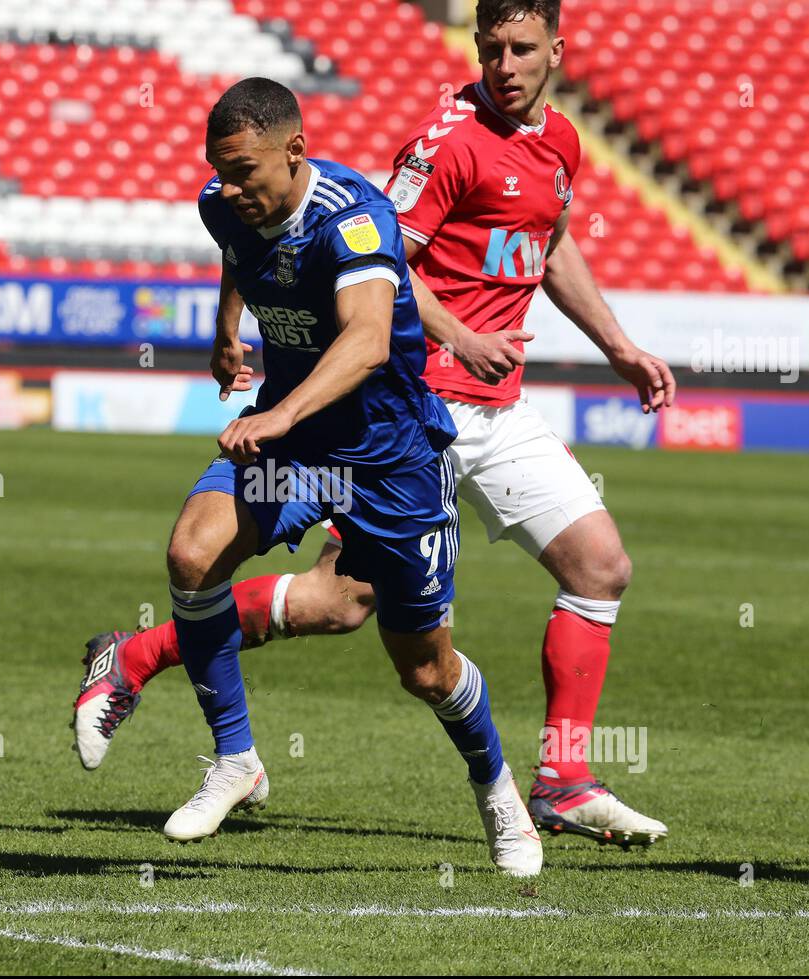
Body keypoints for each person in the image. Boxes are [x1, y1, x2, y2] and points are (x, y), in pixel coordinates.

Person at [77, 1, 677, 849]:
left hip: (472, 410)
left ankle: (563, 778)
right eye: (490, 48)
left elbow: (550, 241)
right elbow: (386, 257)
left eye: (521, 49)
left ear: (556, 51)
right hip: (407, 390)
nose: (504, 65)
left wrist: (617, 344)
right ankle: (171, 687)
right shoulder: (443, 146)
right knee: (329, 600)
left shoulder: (562, 145)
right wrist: (458, 336)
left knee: (591, 569)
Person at [116, 76, 541, 875]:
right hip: (296, 456)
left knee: (424, 667)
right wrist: (226, 332)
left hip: (390, 461)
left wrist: (277, 413)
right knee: (191, 554)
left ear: (296, 151)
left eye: (245, 170)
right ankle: (235, 758)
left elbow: (369, 340)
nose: (229, 187)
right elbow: (240, 256)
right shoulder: (223, 204)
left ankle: (496, 787)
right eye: (220, 169)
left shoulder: (355, 219)